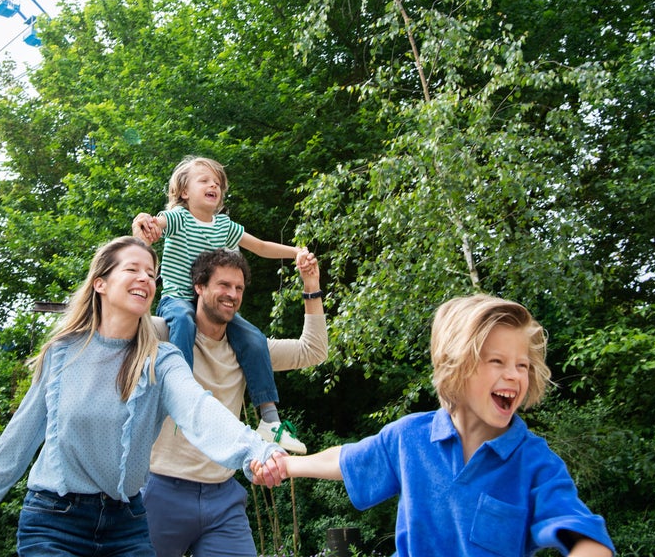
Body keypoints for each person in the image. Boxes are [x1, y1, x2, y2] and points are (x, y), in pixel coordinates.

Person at [0, 236, 288, 557]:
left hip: (126, 524)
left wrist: (256, 450)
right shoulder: (62, 354)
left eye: (151, 273)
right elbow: (25, 428)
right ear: (101, 283)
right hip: (53, 521)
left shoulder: (162, 360)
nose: (145, 278)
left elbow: (200, 411)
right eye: (133, 269)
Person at [252, 293, 614, 557]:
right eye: (497, 361)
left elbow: (584, 536)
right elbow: (346, 460)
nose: (513, 375)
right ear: (457, 366)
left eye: (522, 365)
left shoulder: (536, 463)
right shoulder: (411, 436)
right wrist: (286, 466)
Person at [144, 247, 328, 557]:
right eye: (224, 285)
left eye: (238, 288)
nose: (232, 294)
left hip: (223, 496)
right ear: (199, 287)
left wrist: (311, 286)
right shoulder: (162, 333)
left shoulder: (248, 350)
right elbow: (114, 325)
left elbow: (313, 351)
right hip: (161, 489)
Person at [132, 155, 309, 453]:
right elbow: (151, 228)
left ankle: (269, 420)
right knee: (185, 322)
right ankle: (181, 396)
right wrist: (144, 225)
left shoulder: (225, 226)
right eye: (204, 180)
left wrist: (297, 252)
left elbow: (262, 247)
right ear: (185, 192)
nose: (213, 184)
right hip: (178, 298)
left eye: (217, 183)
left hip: (211, 304)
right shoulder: (179, 217)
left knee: (254, 338)